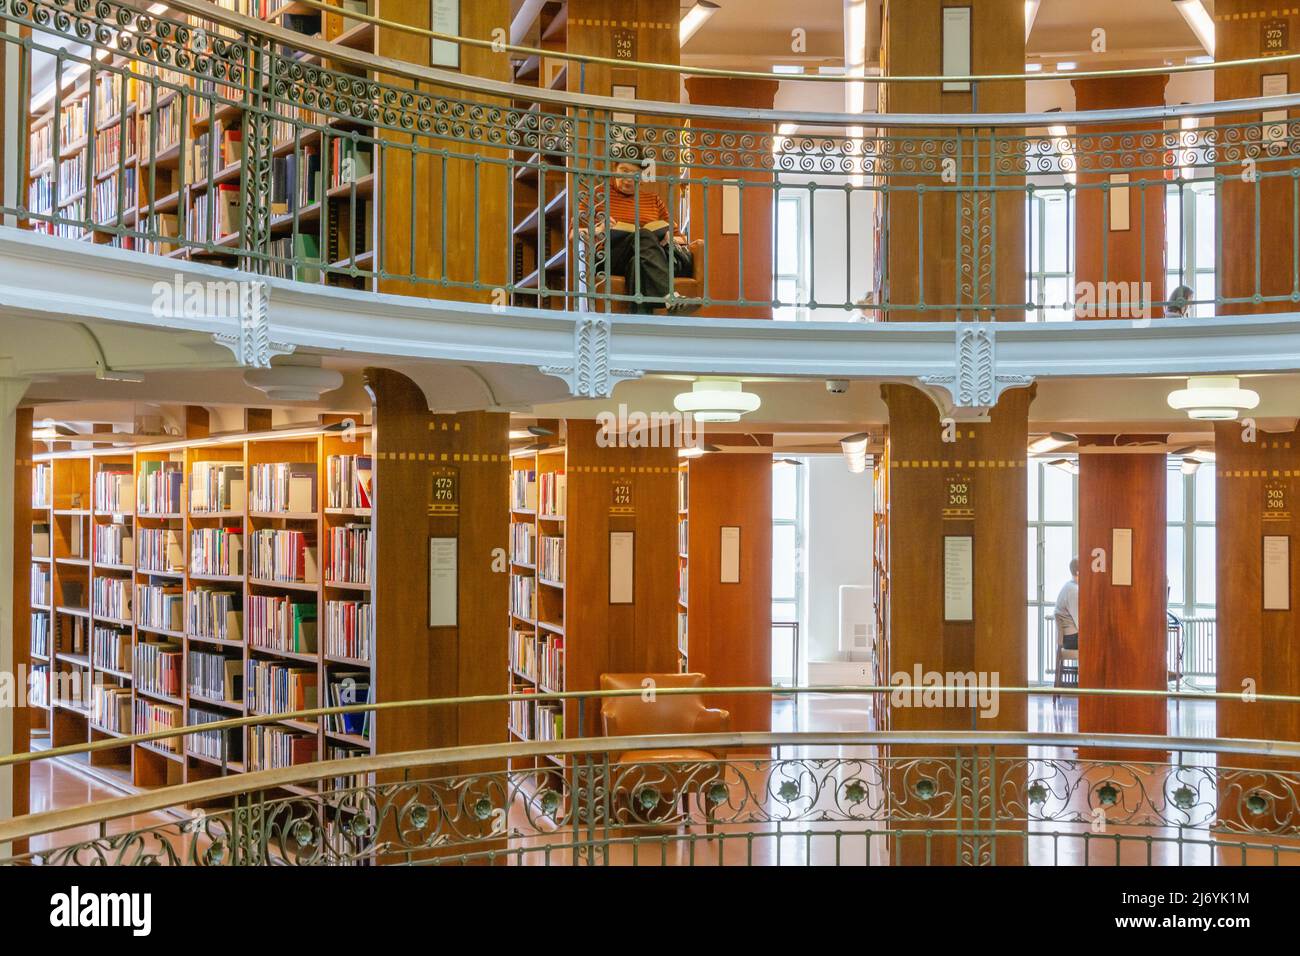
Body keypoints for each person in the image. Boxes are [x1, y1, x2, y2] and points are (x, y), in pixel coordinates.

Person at [575, 148, 694, 314]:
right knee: (643, 235)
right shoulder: (596, 196)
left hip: (646, 257)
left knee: (637, 261)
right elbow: (574, 234)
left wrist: (668, 238)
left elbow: (681, 240)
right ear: (614, 169)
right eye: (624, 171)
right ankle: (669, 295)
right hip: (609, 258)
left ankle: (638, 323)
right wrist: (599, 229)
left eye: (635, 174)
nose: (629, 179)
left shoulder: (653, 200)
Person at [1054, 557, 1080, 652]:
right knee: (1099, 640)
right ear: (1078, 572)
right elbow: (1080, 623)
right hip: (1071, 639)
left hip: (1067, 637)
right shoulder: (1074, 591)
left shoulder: (1069, 585)